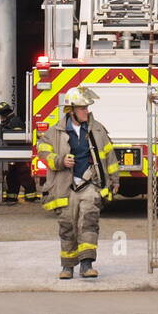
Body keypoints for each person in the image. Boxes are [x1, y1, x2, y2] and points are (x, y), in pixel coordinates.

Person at [36, 87, 120, 279]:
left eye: (87, 108)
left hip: (90, 185)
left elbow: (109, 156)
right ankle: (67, 267)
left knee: (89, 223)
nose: (86, 111)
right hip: (65, 187)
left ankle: (87, 265)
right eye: (82, 108)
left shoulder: (97, 130)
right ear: (71, 110)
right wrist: (60, 161)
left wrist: (115, 180)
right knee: (67, 226)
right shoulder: (55, 131)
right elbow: (42, 151)